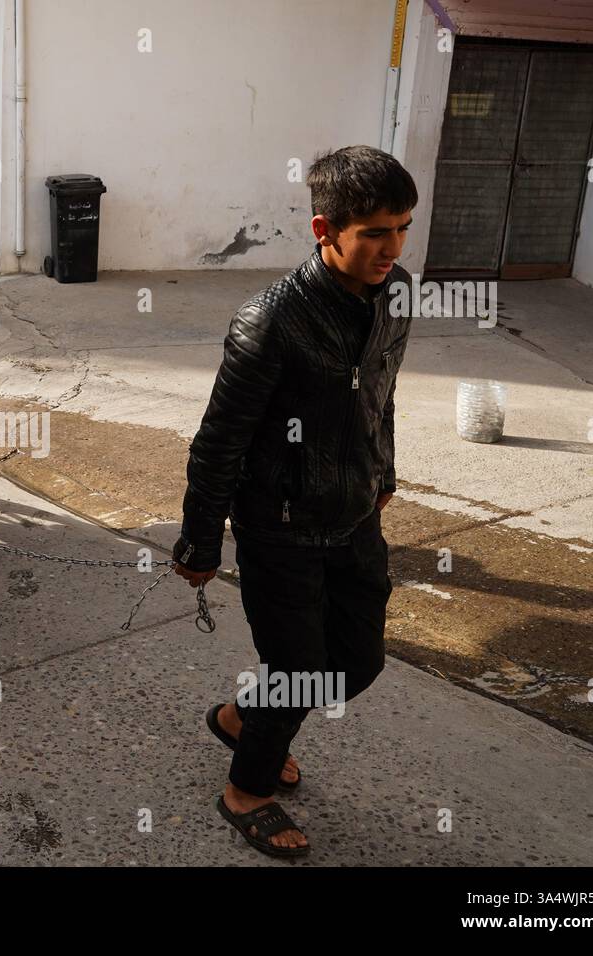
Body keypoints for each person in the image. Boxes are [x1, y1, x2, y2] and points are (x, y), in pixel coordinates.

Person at [173, 145, 418, 857]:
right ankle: (247, 789)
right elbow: (218, 441)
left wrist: (384, 475)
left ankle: (244, 717)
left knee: (359, 661)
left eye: (402, 227)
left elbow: (382, 394)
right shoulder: (269, 321)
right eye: (374, 232)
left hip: (354, 517)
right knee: (300, 671)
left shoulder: (396, 294)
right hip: (278, 526)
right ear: (325, 229)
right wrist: (199, 542)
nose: (392, 247)